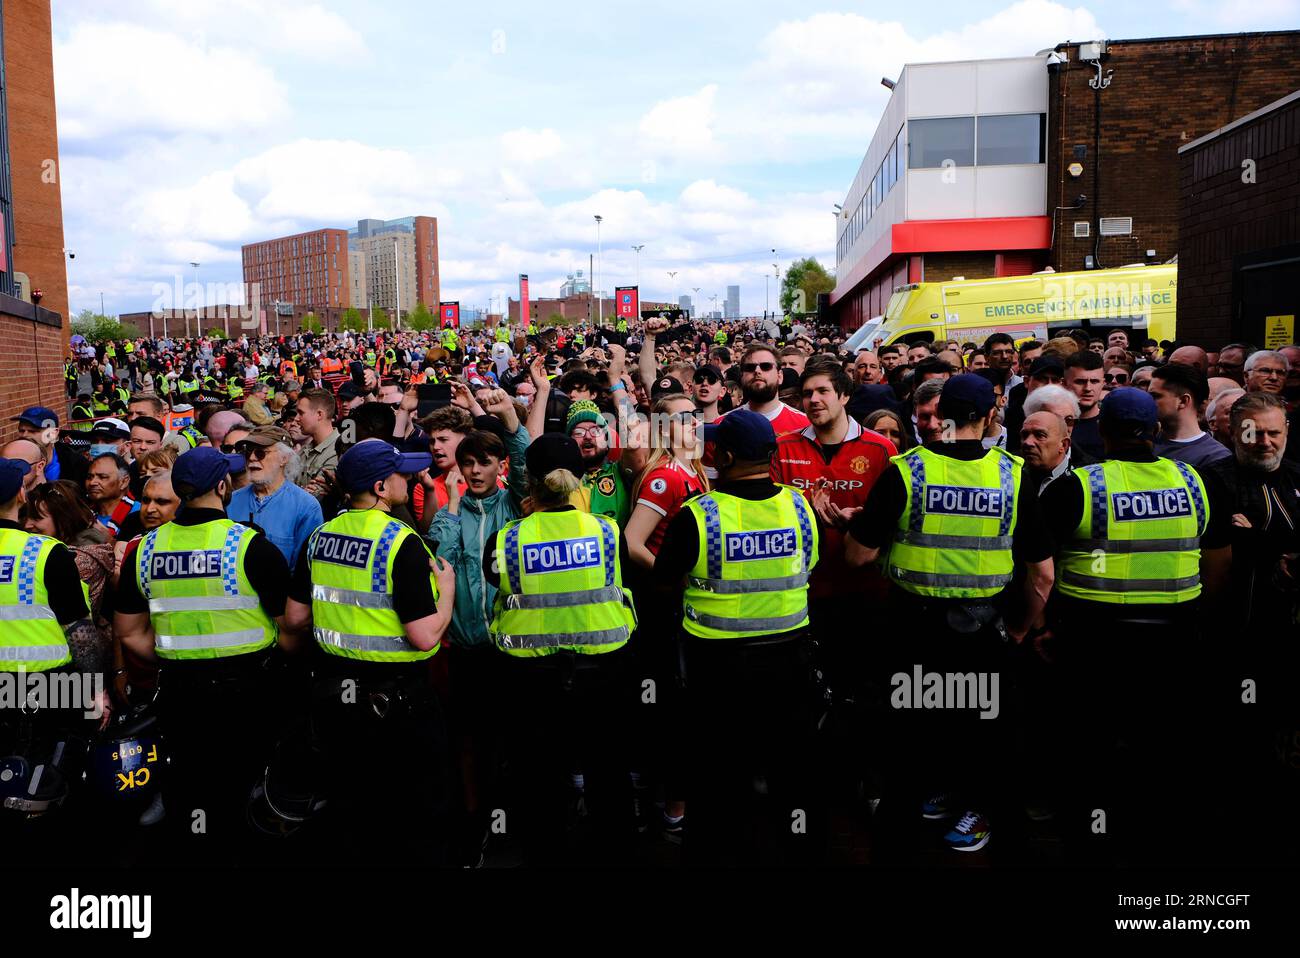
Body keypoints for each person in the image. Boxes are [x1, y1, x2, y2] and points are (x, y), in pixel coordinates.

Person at [845, 374, 1055, 856]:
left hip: (913, 630)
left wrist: (867, 534)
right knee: (983, 729)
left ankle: (916, 811)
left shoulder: (906, 470)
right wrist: (1020, 628)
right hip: (985, 634)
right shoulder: (1013, 474)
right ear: (989, 417)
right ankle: (974, 814)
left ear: (939, 417)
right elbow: (1041, 574)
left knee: (916, 727)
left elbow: (858, 556)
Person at [1038, 387, 1231, 864]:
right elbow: (1220, 557)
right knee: (1163, 747)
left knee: (1089, 749)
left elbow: (1040, 568)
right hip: (1175, 639)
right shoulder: (1195, 482)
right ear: (1155, 430)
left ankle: (1090, 840)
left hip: (1092, 643)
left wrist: (1040, 626)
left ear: (1100, 429)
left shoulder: (1079, 486)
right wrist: (1199, 609)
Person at [652, 410, 824, 864]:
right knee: (792, 775)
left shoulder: (698, 515)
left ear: (723, 455)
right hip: (790, 663)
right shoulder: (798, 506)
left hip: (718, 671)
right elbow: (808, 566)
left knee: (717, 779)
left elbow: (666, 579)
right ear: (771, 455)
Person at [112, 447, 292, 865]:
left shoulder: (145, 550)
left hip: (179, 690)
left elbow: (129, 632)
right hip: (247, 690)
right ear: (222, 486)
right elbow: (289, 626)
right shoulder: (251, 547)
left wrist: (172, 657)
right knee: (245, 783)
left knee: (191, 782)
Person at [283, 440, 456, 865]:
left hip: (335, 698)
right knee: (412, 810)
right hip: (398, 705)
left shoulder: (320, 536)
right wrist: (447, 594)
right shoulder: (403, 543)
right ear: (381, 487)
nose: (407, 479)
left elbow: (294, 619)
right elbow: (424, 636)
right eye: (399, 474)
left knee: (350, 805)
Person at [484, 433, 637, 864]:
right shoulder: (607, 532)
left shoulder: (507, 539)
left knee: (539, 778)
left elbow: (497, 582)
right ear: (580, 481)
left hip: (532, 680)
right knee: (608, 775)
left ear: (529, 480)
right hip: (604, 670)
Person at [227, 426, 323, 567]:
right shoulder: (230, 501)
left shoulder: (306, 507)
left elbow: (305, 569)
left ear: (284, 458)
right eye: (248, 453)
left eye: (260, 453)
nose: (252, 458)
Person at [1150, 363, 1231, 468]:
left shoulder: (1216, 457)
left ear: (1183, 401)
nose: (1148, 400)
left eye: (1155, 396)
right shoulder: (1144, 442)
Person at [294, 388, 341, 494]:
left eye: (301, 413)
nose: (296, 418)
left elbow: (312, 498)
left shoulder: (338, 452)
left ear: (319, 414)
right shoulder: (305, 450)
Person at [1063, 350, 1105, 460]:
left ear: (1103, 383)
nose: (1088, 388)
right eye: (1080, 382)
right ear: (1064, 384)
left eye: (1095, 381)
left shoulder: (1112, 427)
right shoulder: (1053, 425)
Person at [85, 452, 138, 537]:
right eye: (89, 477)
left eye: (102, 477)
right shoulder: (83, 515)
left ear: (124, 482)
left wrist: (110, 540)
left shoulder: (139, 514)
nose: (92, 482)